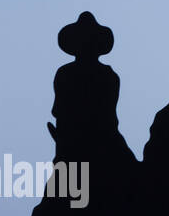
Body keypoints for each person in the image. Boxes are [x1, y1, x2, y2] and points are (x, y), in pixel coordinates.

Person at [50, 11, 121, 156]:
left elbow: (57, 111)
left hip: (75, 142)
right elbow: (110, 117)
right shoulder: (109, 75)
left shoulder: (64, 73)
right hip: (104, 141)